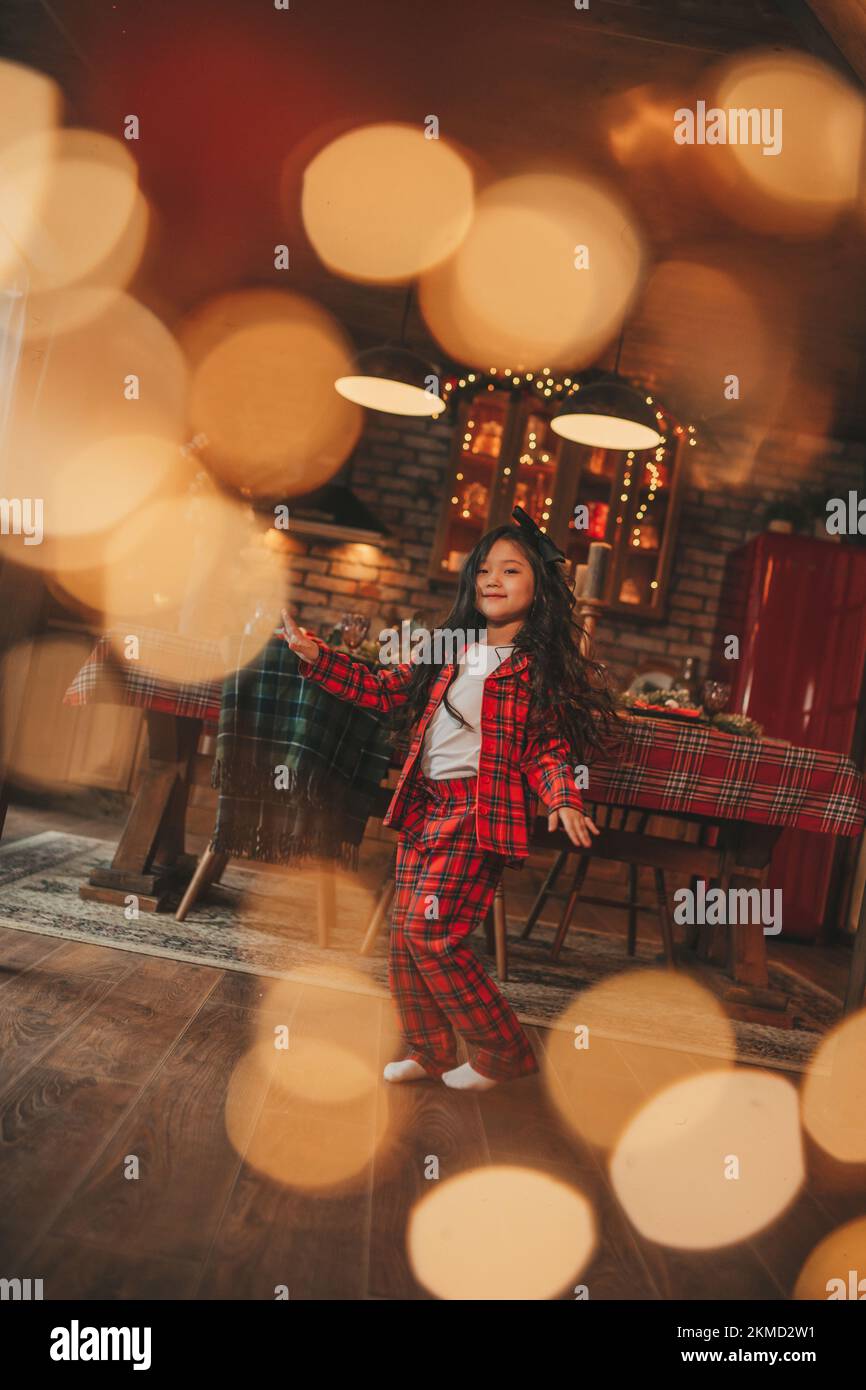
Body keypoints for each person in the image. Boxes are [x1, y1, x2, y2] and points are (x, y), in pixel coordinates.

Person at [281, 521, 622, 1092]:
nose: (493, 580)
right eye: (484, 570)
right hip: (425, 805)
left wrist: (563, 798)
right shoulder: (449, 647)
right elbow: (387, 688)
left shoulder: (535, 667)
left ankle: (504, 1049)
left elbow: (547, 748)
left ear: (539, 588)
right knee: (403, 934)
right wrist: (318, 658)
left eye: (511, 571)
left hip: (476, 812)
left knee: (431, 933)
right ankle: (430, 1049)